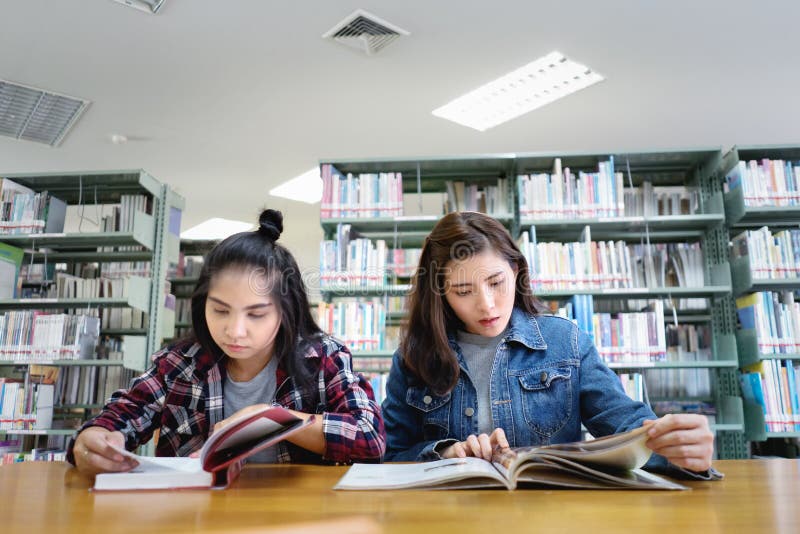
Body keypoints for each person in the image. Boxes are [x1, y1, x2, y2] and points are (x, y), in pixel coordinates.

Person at [381, 211, 717, 478]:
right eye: (464, 291)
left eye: (496, 282)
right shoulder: (413, 357)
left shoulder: (565, 342)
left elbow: (625, 425)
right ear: (440, 294)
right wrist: (444, 453)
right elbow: (389, 453)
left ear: (516, 271)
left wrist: (678, 451)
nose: (487, 305)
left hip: (553, 515)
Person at [69, 209, 385, 475]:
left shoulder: (324, 358)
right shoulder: (180, 364)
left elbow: (370, 438)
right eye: (220, 310)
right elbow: (121, 416)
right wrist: (92, 440)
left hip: (296, 516)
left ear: (286, 312)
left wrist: (272, 420)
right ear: (202, 303)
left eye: (256, 314)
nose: (235, 331)